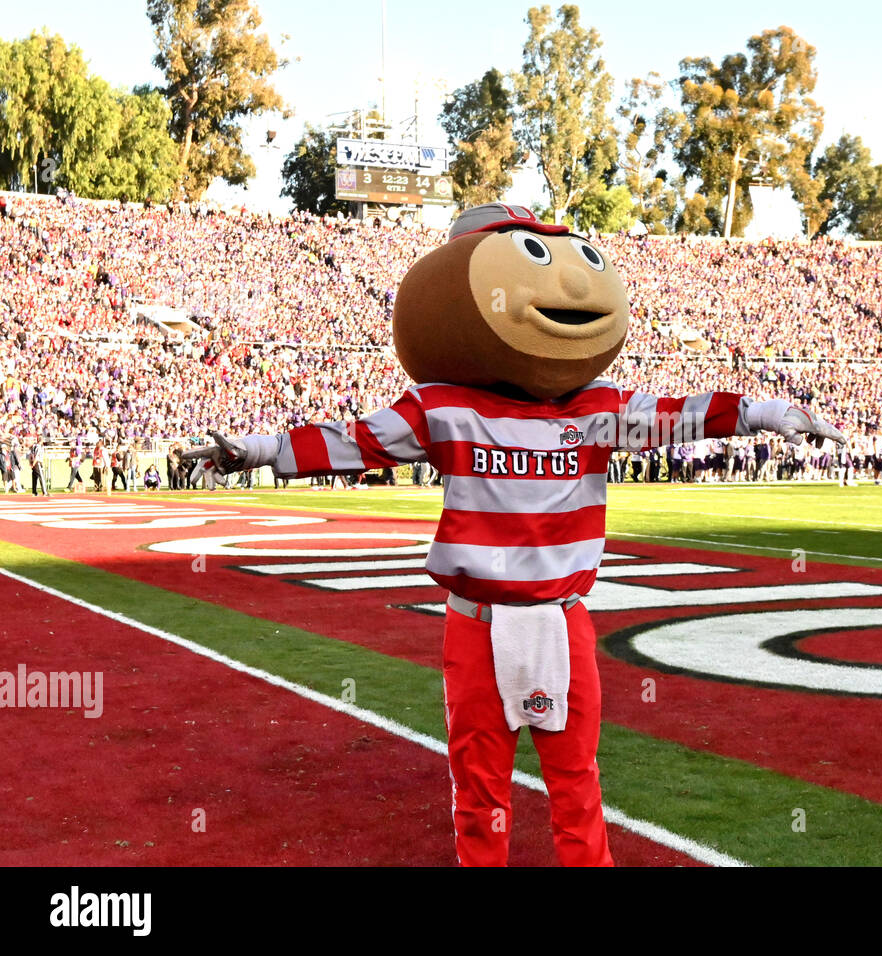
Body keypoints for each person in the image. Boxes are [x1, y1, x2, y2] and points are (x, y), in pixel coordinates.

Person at [182, 202, 844, 868]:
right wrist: (258, 449)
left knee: (577, 782)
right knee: (479, 790)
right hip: (478, 623)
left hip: (562, 619)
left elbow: (681, 416)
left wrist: (765, 412)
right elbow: (355, 443)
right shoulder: (445, 409)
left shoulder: (598, 412)